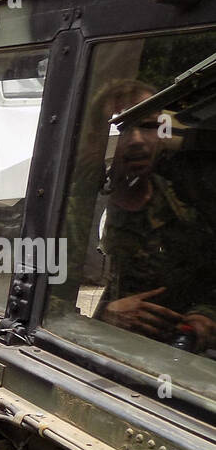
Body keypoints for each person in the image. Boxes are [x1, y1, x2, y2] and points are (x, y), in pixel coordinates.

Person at [82, 79, 216, 350]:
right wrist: (106, 317)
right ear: (97, 138)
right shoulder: (72, 207)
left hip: (172, 361)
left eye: (149, 126)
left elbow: (209, 281)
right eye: (121, 128)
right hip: (91, 358)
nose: (136, 140)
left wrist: (203, 317)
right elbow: (40, 310)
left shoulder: (186, 205)